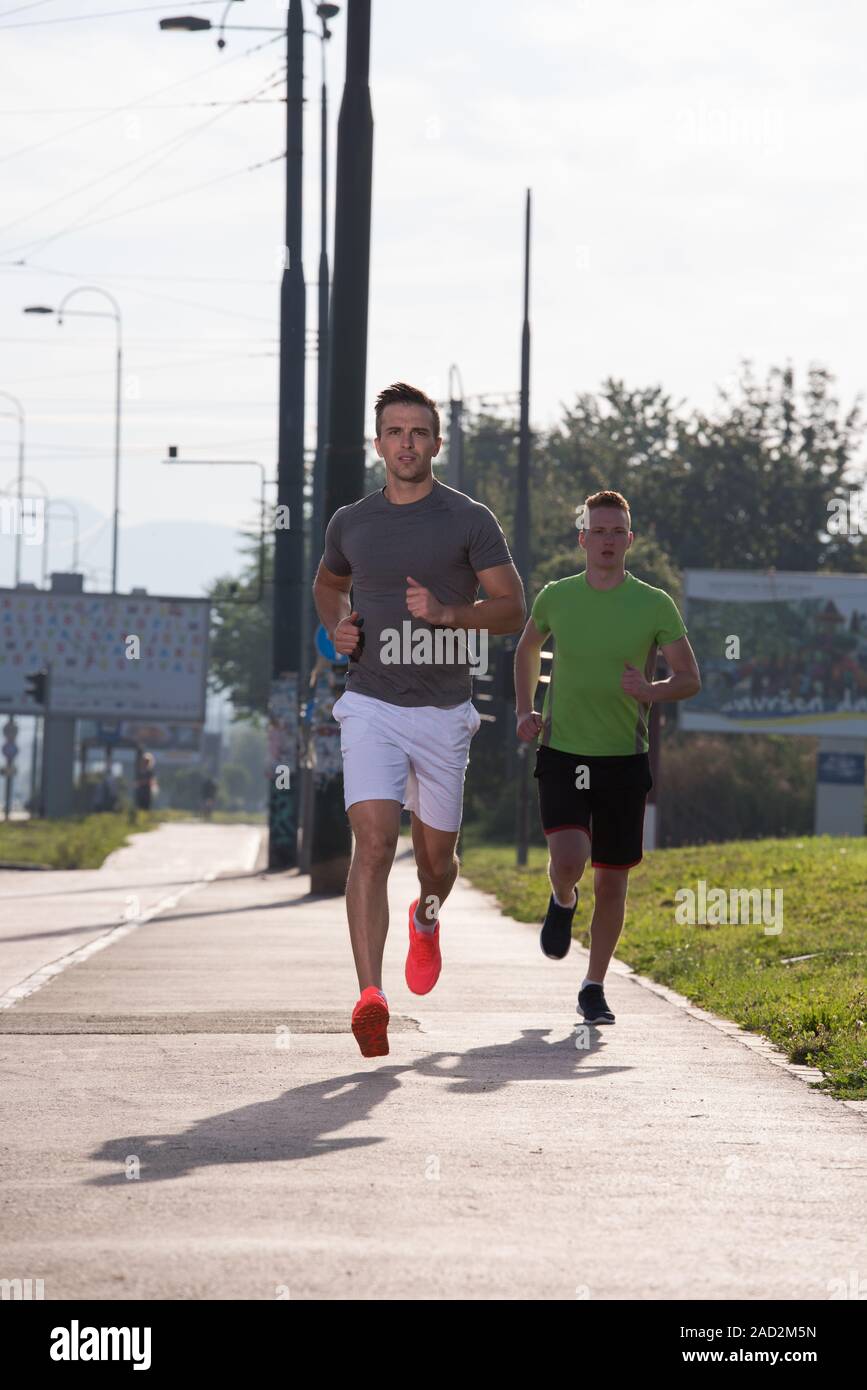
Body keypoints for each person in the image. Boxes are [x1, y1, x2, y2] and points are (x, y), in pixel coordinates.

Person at [313, 381, 525, 1057]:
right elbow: (327, 582)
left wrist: (447, 615)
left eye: (418, 433)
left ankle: (426, 918)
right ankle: (369, 996)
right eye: (394, 432)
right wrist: (336, 628)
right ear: (378, 443)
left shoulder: (468, 519)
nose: (406, 443)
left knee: (435, 862)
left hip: (442, 711)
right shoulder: (351, 520)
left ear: (436, 442)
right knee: (372, 844)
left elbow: (512, 609)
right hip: (370, 703)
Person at [514, 489, 701, 1025]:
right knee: (570, 858)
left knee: (613, 877)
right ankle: (562, 897)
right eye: (599, 531)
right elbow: (528, 648)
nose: (608, 541)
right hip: (564, 748)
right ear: (583, 539)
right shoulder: (557, 596)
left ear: (629, 541)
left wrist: (650, 689)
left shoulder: (654, 604)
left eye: (617, 532)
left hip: (624, 756)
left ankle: (593, 985)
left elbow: (689, 679)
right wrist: (526, 709)